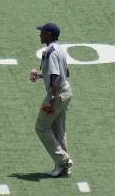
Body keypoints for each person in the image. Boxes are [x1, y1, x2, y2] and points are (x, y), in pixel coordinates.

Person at [30, 22, 73, 176]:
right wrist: (41, 75)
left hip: (57, 94)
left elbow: (55, 77)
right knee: (58, 129)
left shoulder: (50, 52)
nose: (40, 34)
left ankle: (63, 161)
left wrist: (51, 100)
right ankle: (63, 167)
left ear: (49, 35)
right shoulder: (59, 49)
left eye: (42, 32)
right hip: (66, 91)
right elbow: (65, 73)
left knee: (41, 127)